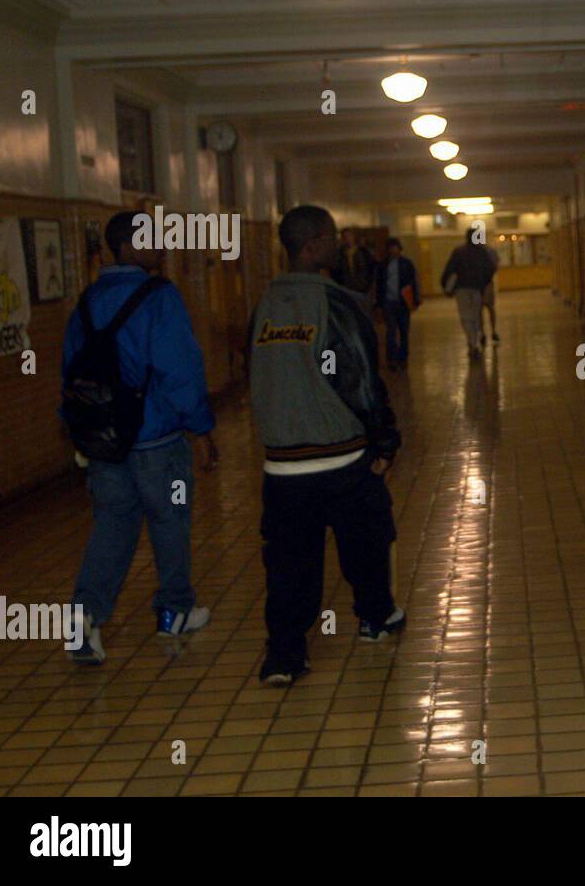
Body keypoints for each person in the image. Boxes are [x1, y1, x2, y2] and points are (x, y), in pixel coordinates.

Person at [249, 205, 406, 686]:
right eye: (333, 237)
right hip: (340, 457)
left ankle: (284, 655)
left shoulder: (263, 307)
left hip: (283, 466)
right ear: (315, 243)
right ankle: (376, 618)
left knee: (289, 563)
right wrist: (383, 438)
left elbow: (256, 377)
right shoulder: (337, 305)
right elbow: (358, 380)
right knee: (367, 541)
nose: (340, 244)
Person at [62, 211, 218, 664]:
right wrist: (201, 427)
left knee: (112, 524)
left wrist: (78, 431)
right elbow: (180, 366)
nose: (162, 247)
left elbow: (70, 371)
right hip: (157, 439)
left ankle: (83, 621)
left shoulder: (88, 300)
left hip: (105, 441)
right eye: (153, 239)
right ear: (127, 247)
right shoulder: (160, 297)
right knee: (169, 520)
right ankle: (175, 612)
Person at [441, 225, 497, 360]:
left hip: (461, 289)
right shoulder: (482, 252)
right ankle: (475, 341)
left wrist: (445, 285)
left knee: (466, 316)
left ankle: (472, 342)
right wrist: (484, 283)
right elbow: (491, 268)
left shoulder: (458, 252)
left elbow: (449, 270)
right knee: (475, 315)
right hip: (477, 289)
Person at [373, 236, 420, 368]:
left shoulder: (407, 264)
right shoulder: (383, 265)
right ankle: (392, 359)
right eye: (391, 248)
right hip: (388, 301)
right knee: (391, 331)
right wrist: (378, 303)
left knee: (404, 331)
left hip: (403, 301)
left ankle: (403, 358)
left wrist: (415, 300)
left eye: (396, 248)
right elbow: (379, 284)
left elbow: (413, 283)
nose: (394, 251)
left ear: (400, 249)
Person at [479, 241, 501, 346]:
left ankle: (484, 333)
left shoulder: (486, 251)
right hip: (487, 283)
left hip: (479, 284)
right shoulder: (490, 250)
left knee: (481, 310)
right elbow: (496, 265)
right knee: (489, 308)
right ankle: (492, 331)